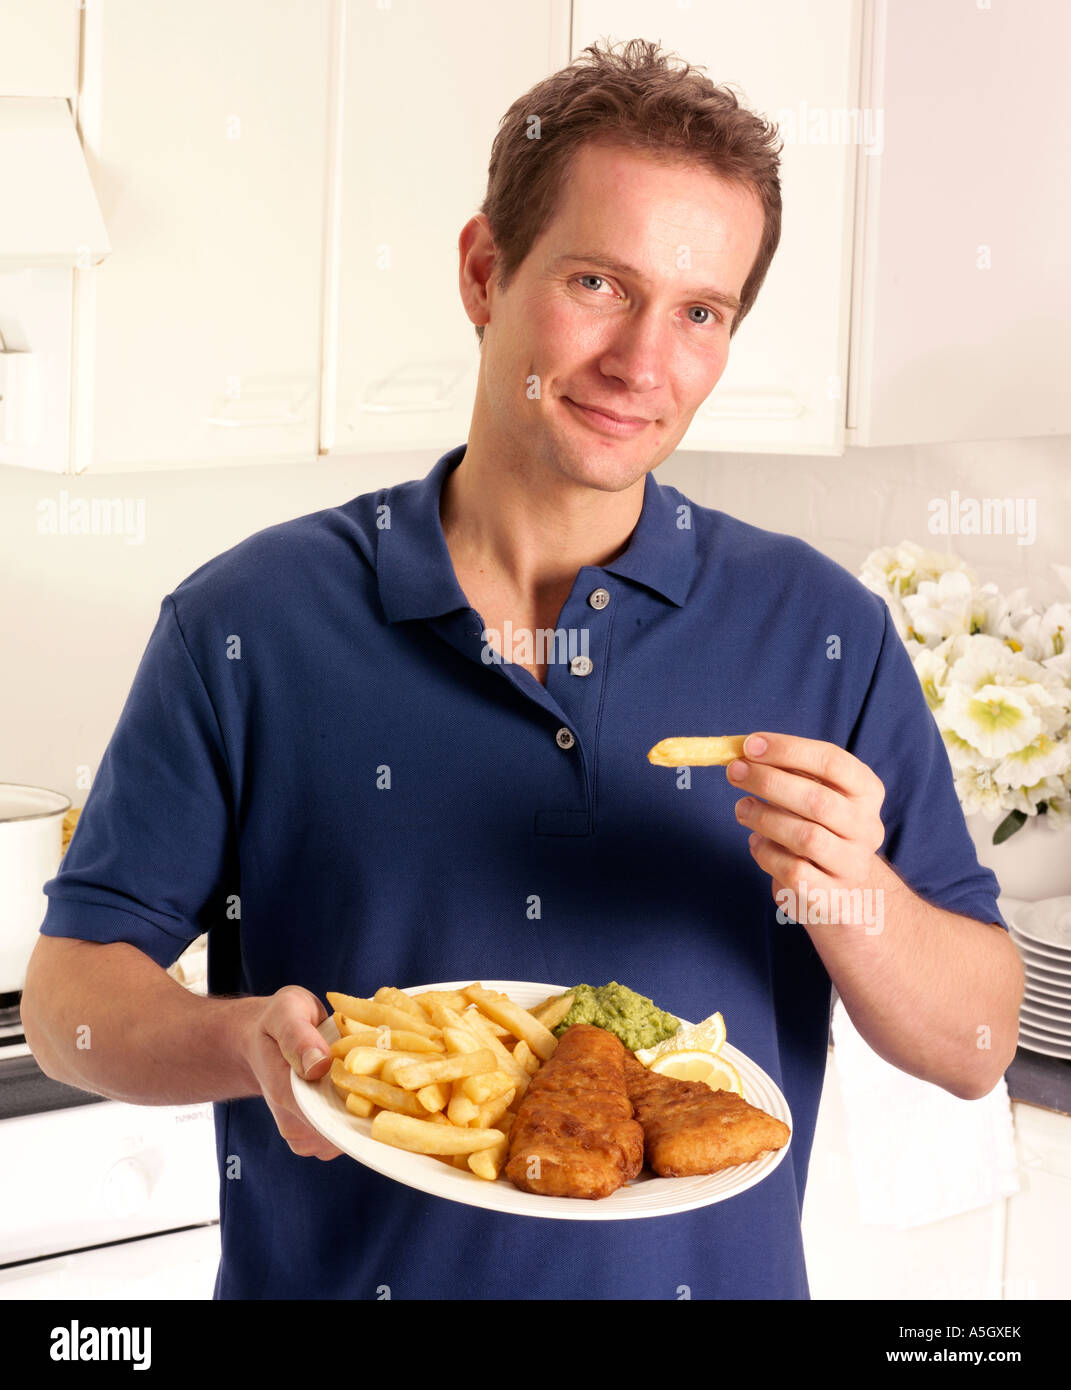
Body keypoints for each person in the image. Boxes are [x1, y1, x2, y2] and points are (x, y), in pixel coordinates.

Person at [22, 39, 1022, 1300]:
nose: (644, 363)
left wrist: (853, 893)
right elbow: (67, 1001)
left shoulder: (819, 630)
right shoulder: (249, 622)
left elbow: (978, 1042)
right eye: (601, 282)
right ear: (485, 272)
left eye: (701, 312)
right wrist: (242, 1038)